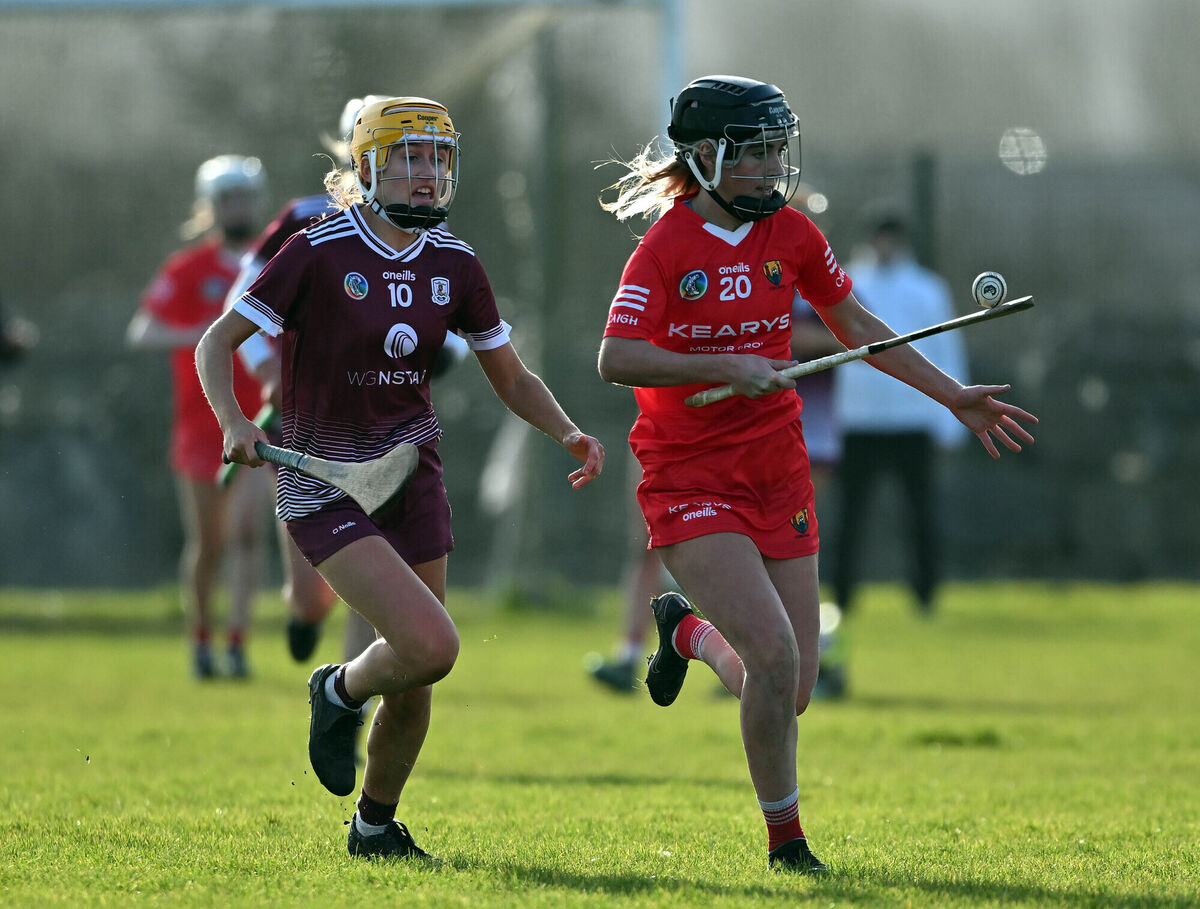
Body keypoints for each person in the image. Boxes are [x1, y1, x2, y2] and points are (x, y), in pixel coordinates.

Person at [597, 74, 1037, 874]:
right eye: (754, 153)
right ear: (705, 156)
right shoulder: (663, 248)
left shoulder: (794, 235)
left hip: (777, 470)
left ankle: (686, 631)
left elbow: (858, 325)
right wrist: (722, 360)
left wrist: (951, 397)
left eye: (776, 150)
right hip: (690, 473)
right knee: (770, 656)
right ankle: (787, 844)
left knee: (790, 682)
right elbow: (614, 357)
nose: (772, 167)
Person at [196, 96, 604, 860]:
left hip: (413, 477)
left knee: (416, 682)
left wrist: (568, 431)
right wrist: (235, 422)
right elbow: (217, 343)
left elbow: (509, 376)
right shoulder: (316, 250)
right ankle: (337, 690)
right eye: (409, 158)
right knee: (432, 644)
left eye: (437, 159)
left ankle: (374, 826)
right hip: (324, 481)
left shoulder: (456, 262)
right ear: (369, 166)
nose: (426, 174)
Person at [222, 95, 467, 668]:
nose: (414, 172)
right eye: (398, 155)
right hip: (304, 429)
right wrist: (268, 378)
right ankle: (302, 611)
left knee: (381, 578)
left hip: (387, 432)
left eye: (421, 156)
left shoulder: (426, 227)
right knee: (313, 598)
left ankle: (348, 704)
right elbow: (239, 307)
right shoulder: (306, 221)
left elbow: (451, 331)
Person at [127, 154, 271, 679]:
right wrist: (208, 338)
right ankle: (202, 642)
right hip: (198, 424)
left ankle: (238, 644)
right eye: (227, 198)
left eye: (245, 197)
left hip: (260, 420)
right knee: (209, 543)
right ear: (210, 207)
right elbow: (142, 331)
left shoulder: (271, 263)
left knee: (249, 533)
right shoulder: (187, 270)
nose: (238, 207)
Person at [831, 207, 968, 617]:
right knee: (849, 518)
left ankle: (926, 596)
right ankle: (841, 598)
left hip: (912, 421)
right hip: (859, 421)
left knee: (921, 516)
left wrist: (950, 421)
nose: (885, 245)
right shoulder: (848, 283)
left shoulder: (928, 289)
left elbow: (947, 351)